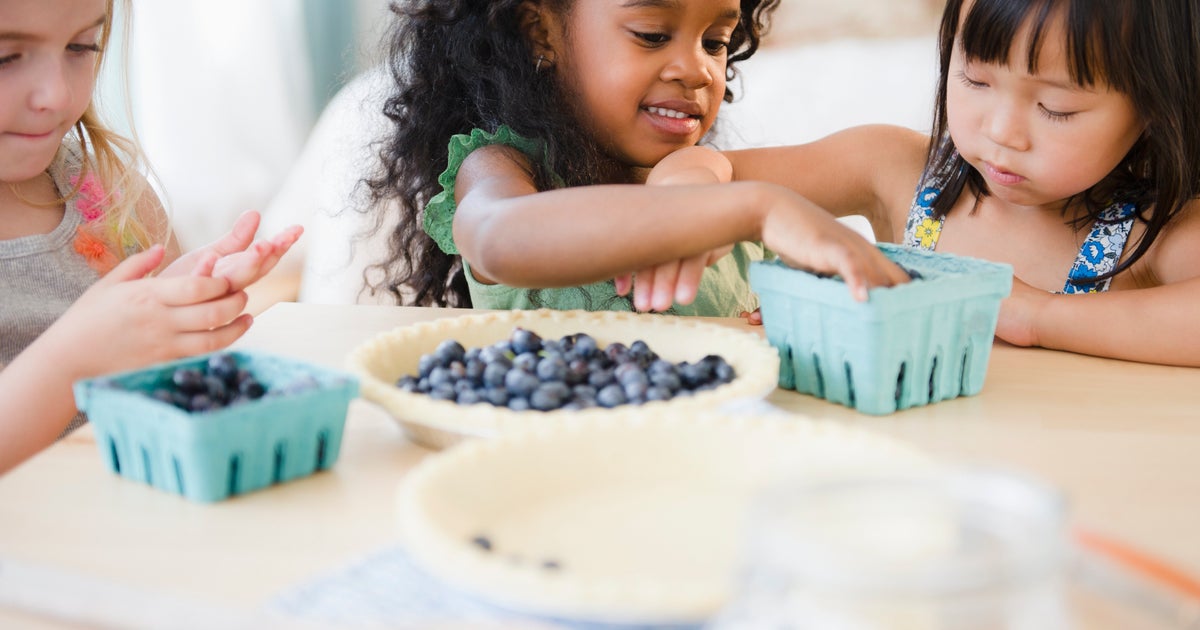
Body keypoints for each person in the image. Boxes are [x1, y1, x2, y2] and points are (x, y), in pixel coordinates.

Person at [652, 0, 1200, 366]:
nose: (1001, 131)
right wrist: (684, 193)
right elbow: (715, 169)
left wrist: (1035, 315)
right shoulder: (895, 168)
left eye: (1056, 108)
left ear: (1154, 107)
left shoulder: (1155, 229)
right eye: (975, 79)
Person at [363, 0, 912, 317]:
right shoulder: (505, 169)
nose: (697, 69)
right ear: (541, 33)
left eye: (716, 41)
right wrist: (753, 210)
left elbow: (881, 160)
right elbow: (495, 236)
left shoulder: (714, 177)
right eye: (652, 34)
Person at [0, 0, 303, 472]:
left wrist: (179, 305)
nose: (56, 94)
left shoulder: (111, 193)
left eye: (80, 46)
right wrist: (73, 359)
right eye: (6, 57)